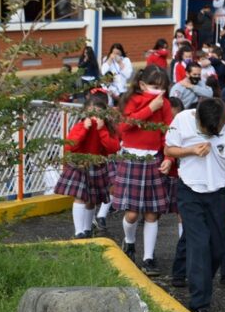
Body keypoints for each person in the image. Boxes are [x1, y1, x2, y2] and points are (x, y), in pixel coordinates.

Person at [165, 97, 225, 312]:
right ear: (197, 117)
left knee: (217, 249)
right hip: (189, 191)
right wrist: (190, 150)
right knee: (198, 244)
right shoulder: (182, 119)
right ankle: (200, 304)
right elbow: (168, 149)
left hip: (218, 194)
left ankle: (201, 282)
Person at [113, 65, 174, 276]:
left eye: (161, 87)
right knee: (131, 214)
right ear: (141, 84)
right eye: (153, 86)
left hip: (153, 159)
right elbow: (123, 127)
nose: (158, 91)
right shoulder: (133, 100)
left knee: (151, 213)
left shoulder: (165, 104)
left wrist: (169, 157)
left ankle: (149, 257)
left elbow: (168, 132)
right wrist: (150, 108)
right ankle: (129, 241)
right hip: (131, 158)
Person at [54, 89, 120, 238]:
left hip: (97, 165)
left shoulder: (107, 128)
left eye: (98, 113)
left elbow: (113, 148)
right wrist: (84, 129)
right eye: (91, 112)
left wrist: (102, 129)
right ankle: (79, 232)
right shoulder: (80, 126)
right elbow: (70, 145)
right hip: (80, 164)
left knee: (92, 200)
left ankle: (87, 229)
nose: (94, 116)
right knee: (79, 197)